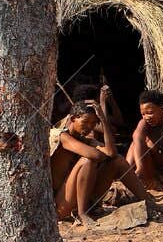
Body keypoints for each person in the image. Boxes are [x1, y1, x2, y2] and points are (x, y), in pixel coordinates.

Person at [49, 94, 157, 226]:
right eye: (85, 122)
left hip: (83, 199)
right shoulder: (61, 136)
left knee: (118, 161)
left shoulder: (85, 139)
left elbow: (112, 153)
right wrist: (98, 152)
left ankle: (150, 203)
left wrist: (104, 121)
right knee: (87, 161)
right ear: (73, 119)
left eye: (93, 123)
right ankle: (82, 214)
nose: (89, 127)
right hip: (61, 206)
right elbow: (96, 155)